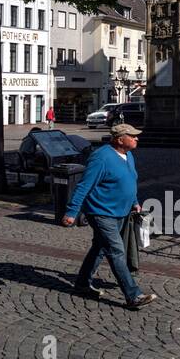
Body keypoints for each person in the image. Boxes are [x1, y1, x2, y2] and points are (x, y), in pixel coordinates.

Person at [62, 123, 156, 310]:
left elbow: (129, 181)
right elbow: (83, 186)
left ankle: (81, 284)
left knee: (99, 248)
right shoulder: (101, 158)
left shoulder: (128, 155)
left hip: (120, 212)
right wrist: (71, 212)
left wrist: (134, 201)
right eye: (133, 135)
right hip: (101, 212)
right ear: (120, 139)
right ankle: (133, 296)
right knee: (116, 251)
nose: (137, 138)